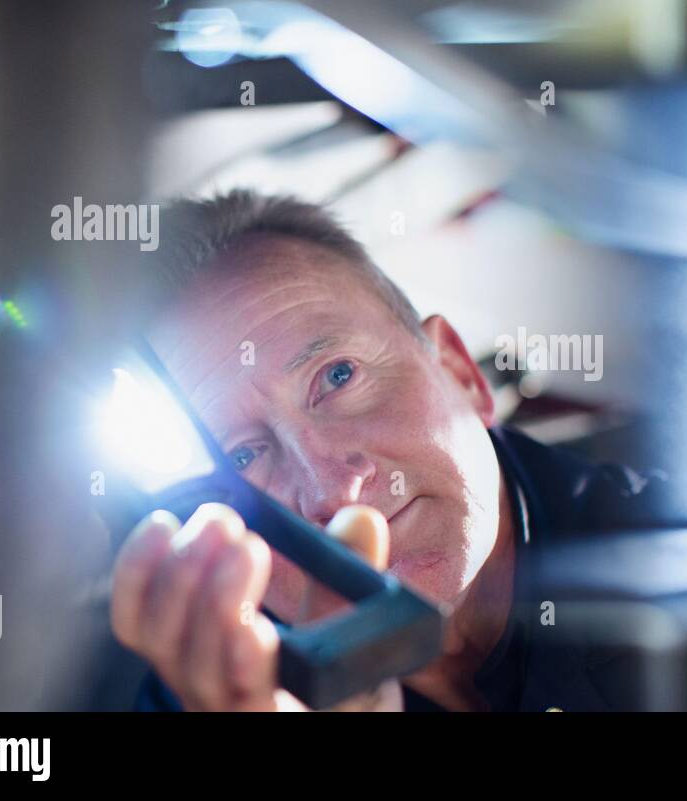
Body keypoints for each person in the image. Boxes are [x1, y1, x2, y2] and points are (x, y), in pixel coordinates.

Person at [111, 190, 659, 711]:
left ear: (460, 372)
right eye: (243, 456)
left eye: (338, 376)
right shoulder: (213, 688)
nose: (333, 492)